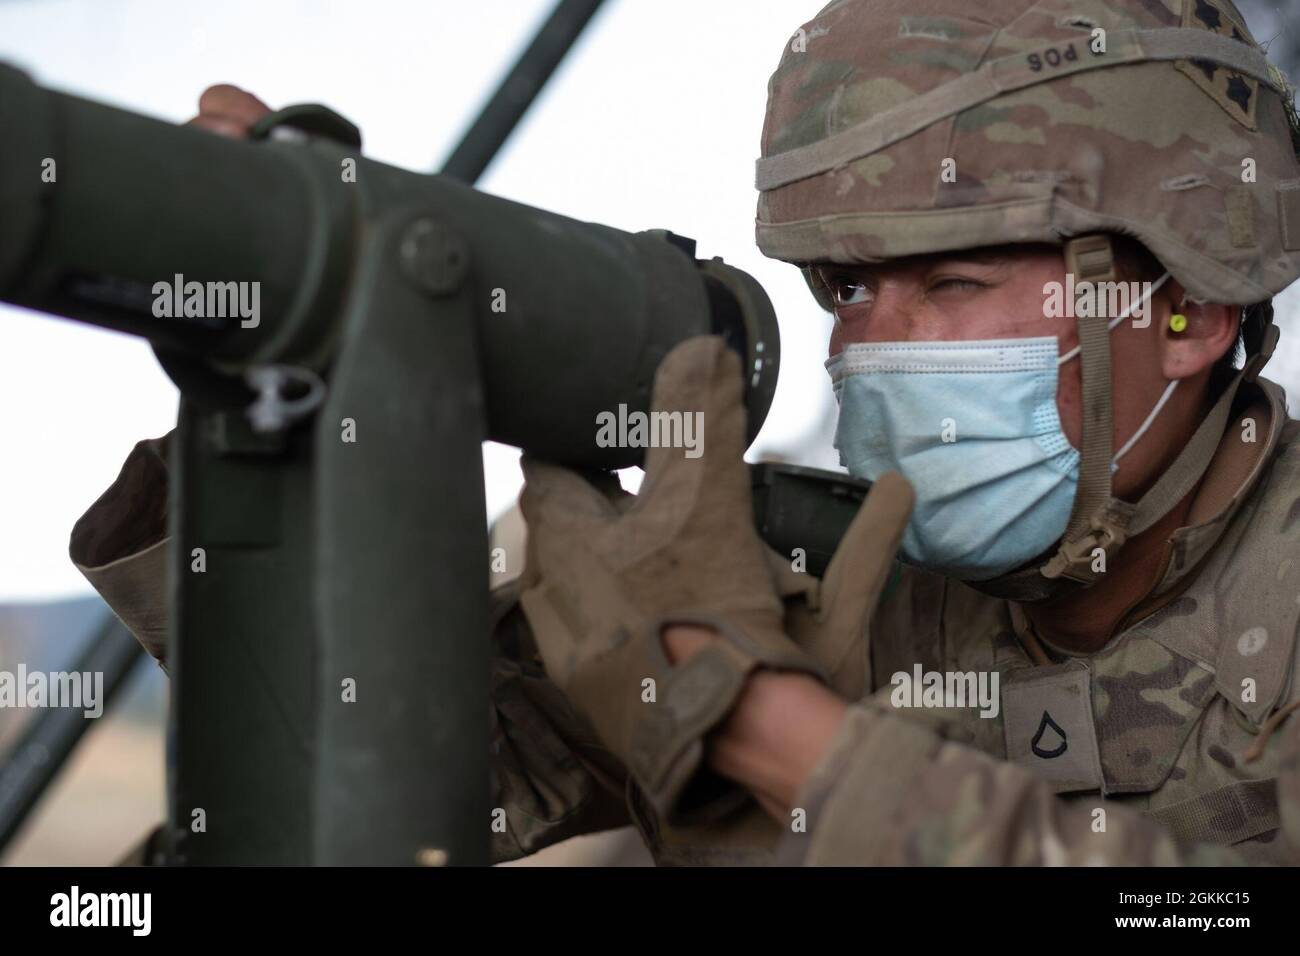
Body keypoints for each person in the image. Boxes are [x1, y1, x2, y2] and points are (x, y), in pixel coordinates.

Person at [76, 0, 1300, 865]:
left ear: (1189, 304)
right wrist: (276, 399)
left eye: (951, 284)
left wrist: (764, 732)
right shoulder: (826, 581)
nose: (866, 350)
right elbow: (354, 779)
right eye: (845, 290)